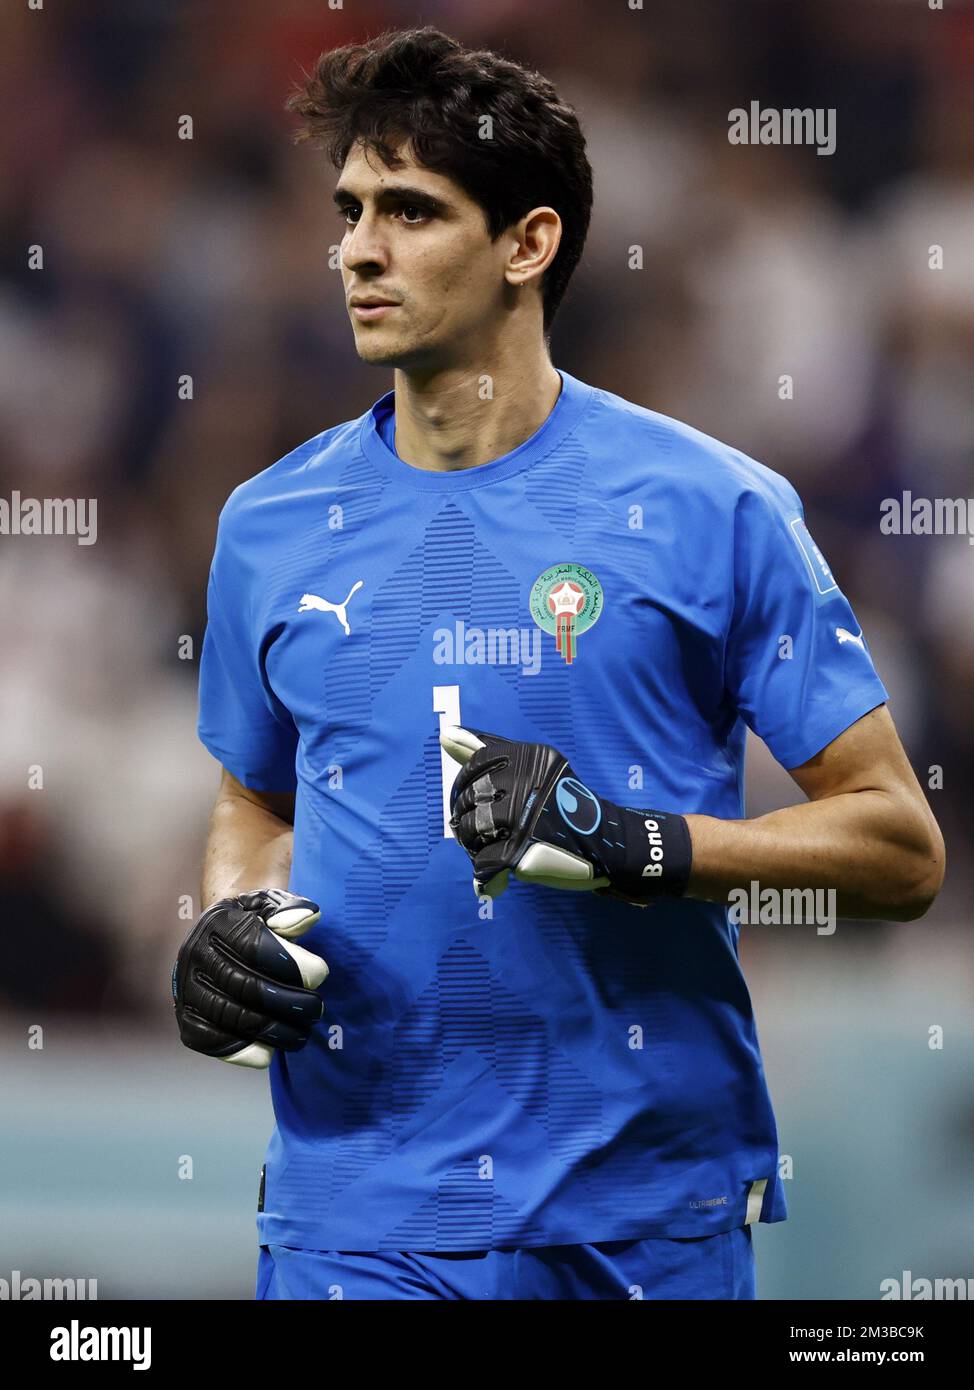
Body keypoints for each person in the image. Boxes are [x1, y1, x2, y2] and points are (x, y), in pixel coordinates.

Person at [172, 27, 944, 1301]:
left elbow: (896, 850)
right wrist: (227, 920)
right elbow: (255, 799)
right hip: (356, 1217)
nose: (357, 247)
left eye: (411, 210)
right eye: (349, 209)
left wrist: (637, 844)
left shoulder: (715, 509)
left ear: (527, 244)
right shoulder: (266, 524)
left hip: (643, 1215)